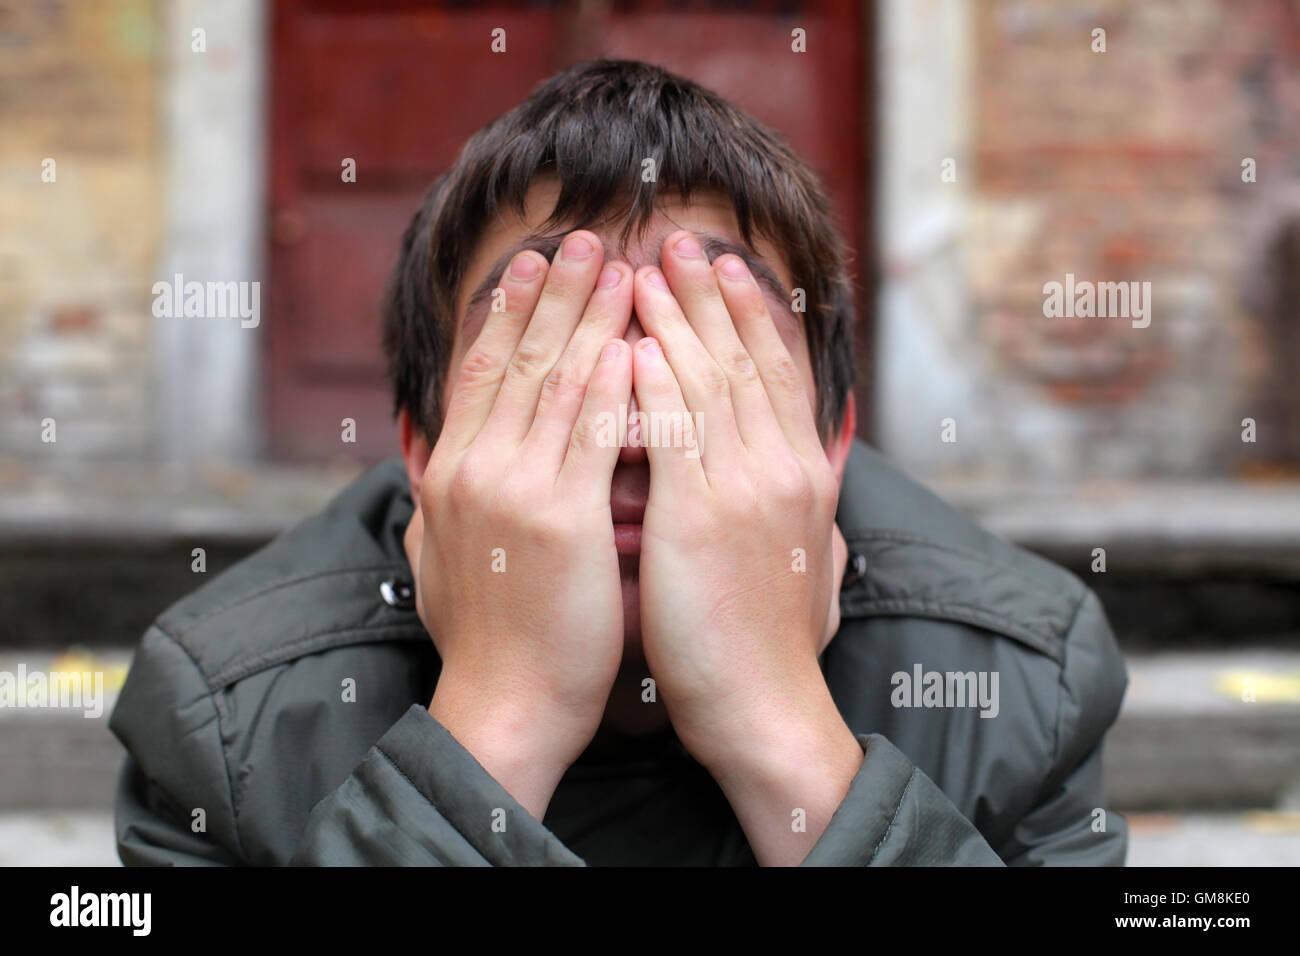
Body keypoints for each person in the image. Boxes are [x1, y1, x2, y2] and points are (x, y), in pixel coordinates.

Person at [111, 59, 1128, 866]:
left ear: (831, 441)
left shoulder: (1014, 686)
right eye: (549, 355)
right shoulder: (227, 724)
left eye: (709, 352)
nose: (635, 426)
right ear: (421, 448)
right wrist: (501, 717)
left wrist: (777, 724)